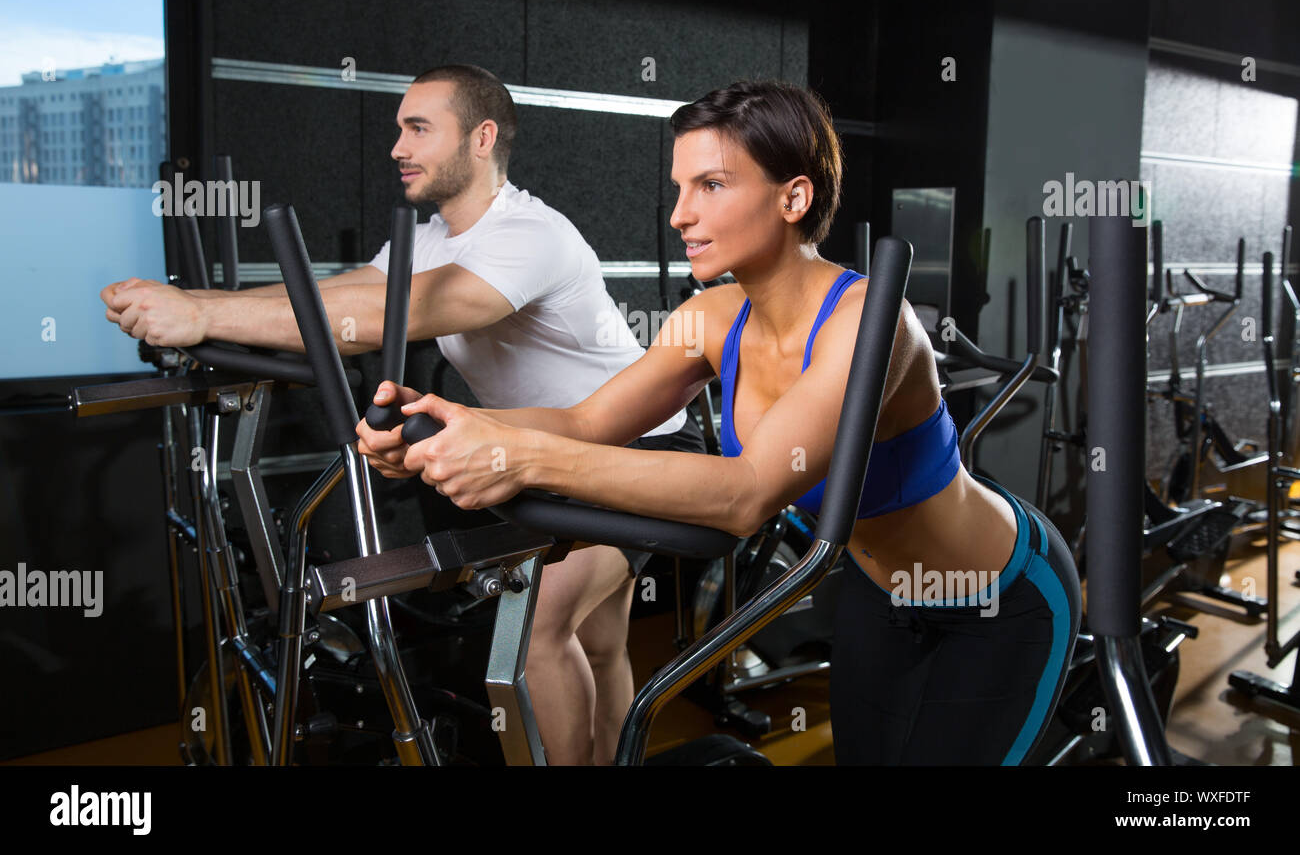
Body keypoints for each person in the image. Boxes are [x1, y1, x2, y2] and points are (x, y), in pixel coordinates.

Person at [359, 79, 1083, 765]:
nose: (680, 214)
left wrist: (516, 459)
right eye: (680, 188)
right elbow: (586, 420)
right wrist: (449, 422)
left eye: (711, 185)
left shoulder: (869, 323)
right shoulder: (710, 319)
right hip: (878, 592)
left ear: (794, 196)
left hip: (996, 598)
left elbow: (746, 494)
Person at [101, 64, 704, 766]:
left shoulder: (531, 235)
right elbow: (339, 292)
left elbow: (393, 315)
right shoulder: (428, 238)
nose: (397, 145)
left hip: (643, 447)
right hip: (556, 454)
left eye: (418, 128)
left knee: (535, 632)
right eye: (397, 128)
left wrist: (199, 313)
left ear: (482, 138)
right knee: (596, 642)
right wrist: (192, 302)